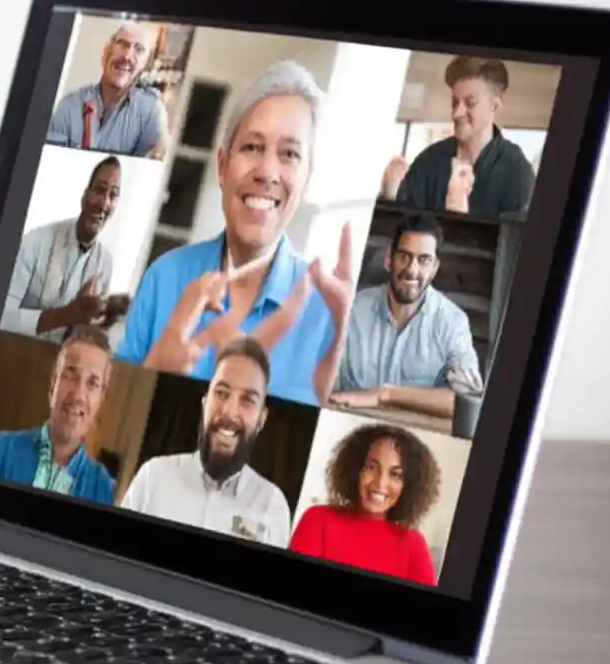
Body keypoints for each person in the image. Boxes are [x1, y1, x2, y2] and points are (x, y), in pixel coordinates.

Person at [115, 60, 356, 406]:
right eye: (252, 147)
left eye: (289, 154)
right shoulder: (164, 277)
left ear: (306, 178)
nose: (267, 171)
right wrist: (151, 375)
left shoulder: (328, 314)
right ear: (222, 166)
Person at [120, 337, 292, 547]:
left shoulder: (273, 506)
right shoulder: (153, 477)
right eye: (221, 393)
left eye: (247, 400)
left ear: (261, 420)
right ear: (204, 404)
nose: (230, 411)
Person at [331, 213, 480, 419]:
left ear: (435, 268)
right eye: (404, 256)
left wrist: (386, 395)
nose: (412, 269)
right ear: (388, 259)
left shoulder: (453, 322)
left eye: (424, 260)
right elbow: (322, 383)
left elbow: (468, 403)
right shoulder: (352, 310)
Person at [0, 326, 117, 504]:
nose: (78, 395)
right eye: (70, 375)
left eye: (92, 383)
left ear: (101, 399)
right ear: (53, 385)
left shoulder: (104, 490)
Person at [382, 56, 536, 219]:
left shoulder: (517, 172)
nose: (457, 113)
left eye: (470, 103)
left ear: (495, 106)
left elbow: (513, 242)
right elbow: (400, 224)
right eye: (455, 102)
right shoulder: (427, 162)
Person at [289, 423, 442, 585]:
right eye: (371, 467)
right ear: (356, 470)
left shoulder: (413, 545)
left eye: (396, 475)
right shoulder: (317, 520)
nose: (380, 483)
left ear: (409, 486)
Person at [1, 157, 129, 342]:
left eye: (113, 195)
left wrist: (107, 320)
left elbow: (82, 339)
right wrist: (66, 315)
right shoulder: (35, 242)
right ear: (85, 196)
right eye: (100, 190)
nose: (104, 204)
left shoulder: (105, 263)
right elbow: (0, 317)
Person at [45, 22, 170, 159]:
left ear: (144, 63)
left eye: (139, 49)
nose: (127, 56)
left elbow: (144, 172)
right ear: (107, 52)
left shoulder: (150, 112)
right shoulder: (70, 105)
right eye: (122, 44)